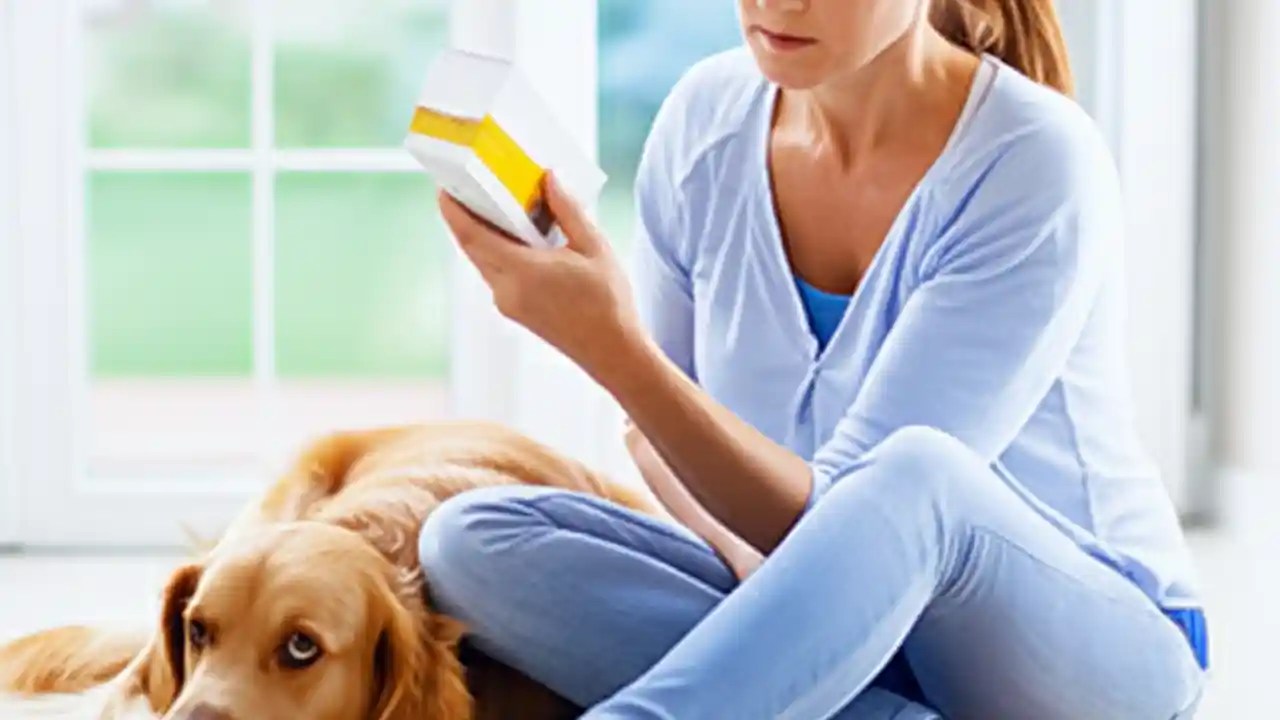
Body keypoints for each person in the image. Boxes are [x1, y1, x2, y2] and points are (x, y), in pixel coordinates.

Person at [418, 0, 1209, 717]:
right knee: (471, 540)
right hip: (831, 610)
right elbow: (651, 432)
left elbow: (869, 510)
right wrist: (779, 588)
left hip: (1083, 648)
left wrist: (612, 349)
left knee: (915, 473)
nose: (780, 4)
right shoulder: (705, 119)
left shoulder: (1033, 161)